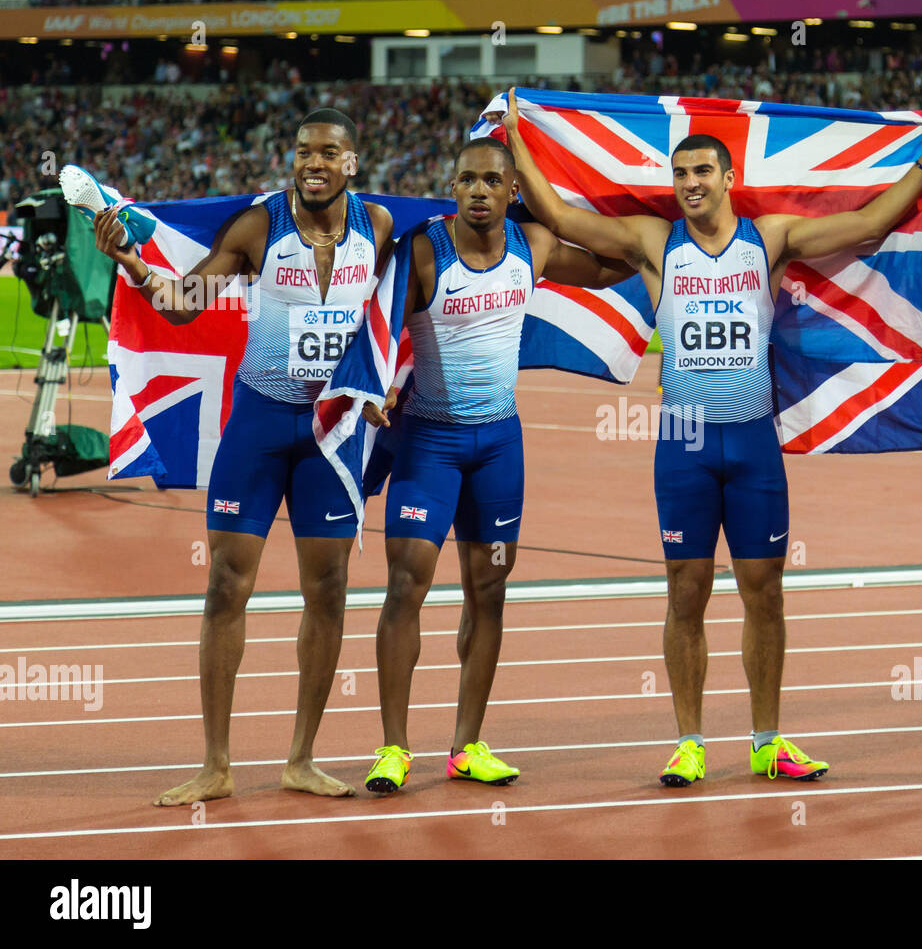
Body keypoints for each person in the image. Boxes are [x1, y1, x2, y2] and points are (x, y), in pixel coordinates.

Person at [504, 89, 922, 786]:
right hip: (684, 440)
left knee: (765, 591)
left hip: (752, 440)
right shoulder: (654, 240)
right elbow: (557, 215)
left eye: (703, 172)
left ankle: (768, 740)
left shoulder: (770, 238)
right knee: (687, 590)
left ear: (728, 178)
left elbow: (868, 222)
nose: (691, 185)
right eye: (681, 175)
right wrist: (518, 134)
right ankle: (691, 741)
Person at [93, 108, 395, 805]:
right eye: (301, 151)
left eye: (327, 153)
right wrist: (131, 262)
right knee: (228, 583)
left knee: (328, 591)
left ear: (353, 162)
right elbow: (179, 304)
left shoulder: (378, 229)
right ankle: (216, 763)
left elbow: (401, 313)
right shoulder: (262, 226)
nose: (311, 163)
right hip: (259, 423)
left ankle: (301, 759)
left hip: (331, 434)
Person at [362, 137, 633, 793]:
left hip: (498, 447)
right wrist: (374, 386)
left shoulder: (531, 247)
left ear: (514, 191)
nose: (478, 191)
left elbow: (602, 270)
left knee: (490, 590)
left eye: (492, 181)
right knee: (407, 584)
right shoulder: (425, 252)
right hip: (430, 442)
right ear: (451, 187)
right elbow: (373, 322)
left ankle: (467, 745)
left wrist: (650, 236)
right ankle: (393, 749)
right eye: (466, 180)